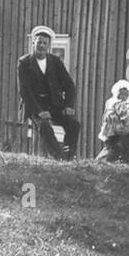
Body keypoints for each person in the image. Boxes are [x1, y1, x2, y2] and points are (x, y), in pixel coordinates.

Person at [17, 26, 80, 160]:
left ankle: (69, 156)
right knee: (44, 125)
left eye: (45, 43)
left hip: (54, 105)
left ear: (49, 45)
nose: (41, 46)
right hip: (35, 107)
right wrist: (39, 111)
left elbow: (69, 85)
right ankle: (59, 156)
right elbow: (25, 91)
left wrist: (69, 105)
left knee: (74, 124)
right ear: (33, 42)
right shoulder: (24, 62)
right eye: (39, 42)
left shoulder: (55, 61)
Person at [96, 80, 129, 163]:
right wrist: (127, 122)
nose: (123, 97)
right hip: (115, 128)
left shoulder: (111, 102)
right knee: (115, 145)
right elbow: (123, 115)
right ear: (116, 93)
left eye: (125, 95)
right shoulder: (120, 104)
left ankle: (108, 159)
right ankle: (104, 159)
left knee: (112, 144)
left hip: (109, 128)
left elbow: (105, 115)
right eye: (121, 94)